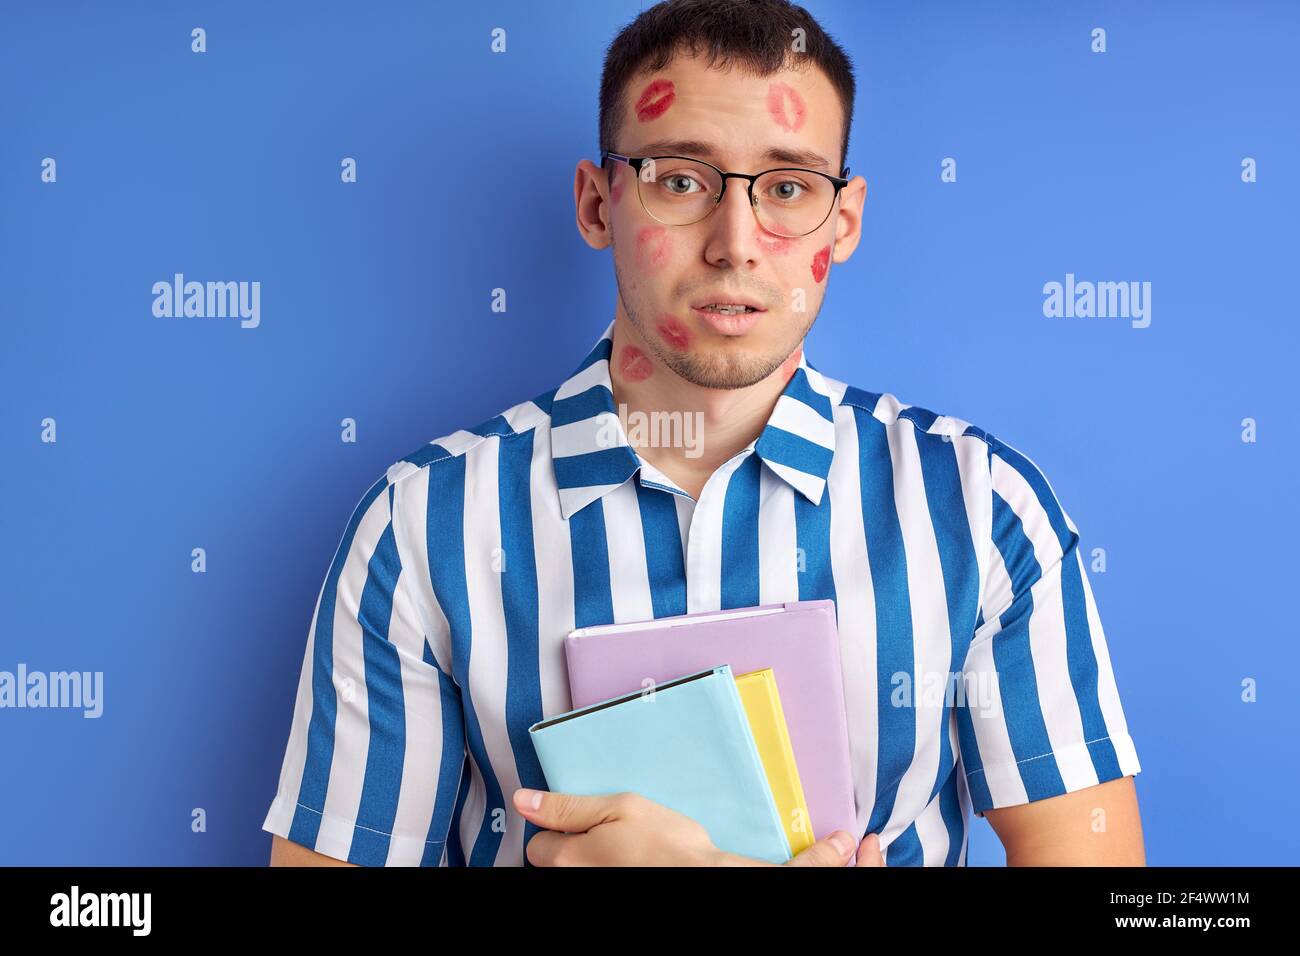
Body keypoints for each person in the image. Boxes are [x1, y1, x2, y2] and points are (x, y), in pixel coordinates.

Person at [263, 0, 1144, 867]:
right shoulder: (422, 528)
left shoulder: (981, 508)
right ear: (599, 203)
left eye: (790, 188)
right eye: (681, 179)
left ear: (844, 221)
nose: (735, 242)